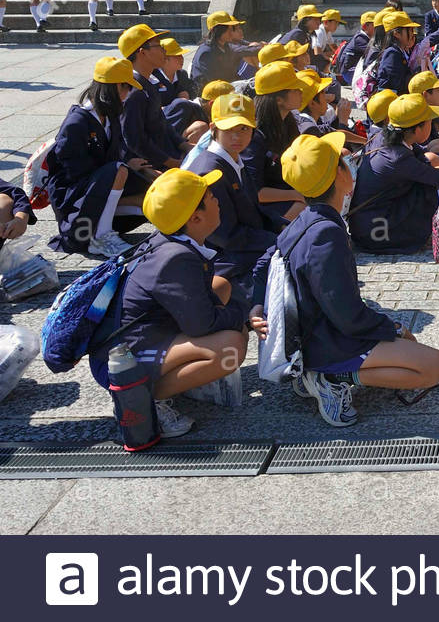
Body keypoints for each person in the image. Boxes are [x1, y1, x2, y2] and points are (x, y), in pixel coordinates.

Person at [267, 132, 439, 426]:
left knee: (415, 351)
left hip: (312, 334)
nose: (352, 161)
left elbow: (267, 262)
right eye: (345, 159)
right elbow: (349, 317)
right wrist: (393, 328)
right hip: (328, 341)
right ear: (338, 175)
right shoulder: (326, 233)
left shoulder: (306, 218)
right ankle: (333, 376)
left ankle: (324, 372)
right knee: (434, 367)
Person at [91, 167, 264, 439]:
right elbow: (202, 325)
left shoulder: (169, 241)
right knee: (231, 346)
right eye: (210, 197)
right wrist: (242, 317)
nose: (217, 200)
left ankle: (174, 379)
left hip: (140, 338)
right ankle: (142, 399)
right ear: (195, 217)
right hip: (123, 361)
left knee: (222, 286)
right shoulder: (175, 259)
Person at [45, 56, 150, 256]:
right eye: (126, 88)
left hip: (100, 181)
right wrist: (117, 169)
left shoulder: (110, 115)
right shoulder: (77, 122)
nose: (127, 95)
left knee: (147, 191)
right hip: (73, 193)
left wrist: (128, 166)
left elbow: (114, 155)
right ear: (115, 87)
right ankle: (100, 236)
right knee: (119, 171)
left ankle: (107, 226)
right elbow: (73, 172)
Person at [186, 93, 278, 300]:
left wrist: (285, 227)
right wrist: (278, 240)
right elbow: (223, 235)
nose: (237, 137)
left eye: (244, 129)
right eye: (229, 130)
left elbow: (254, 209)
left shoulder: (233, 160)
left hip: (242, 245)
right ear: (213, 129)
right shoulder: (209, 171)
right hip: (221, 258)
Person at [348, 94, 439, 252]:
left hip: (372, 219)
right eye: (429, 120)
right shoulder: (397, 158)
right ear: (417, 128)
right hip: (375, 232)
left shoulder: (387, 137)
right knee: (432, 190)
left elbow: (424, 156)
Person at [244, 62, 309, 227]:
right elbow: (256, 192)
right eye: (295, 89)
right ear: (279, 99)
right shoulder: (254, 137)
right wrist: (297, 194)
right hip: (263, 208)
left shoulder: (287, 122)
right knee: (306, 208)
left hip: (288, 194)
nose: (301, 92)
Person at [119, 24, 188, 171]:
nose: (164, 50)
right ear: (142, 53)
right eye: (159, 46)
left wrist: (184, 144)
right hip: (151, 164)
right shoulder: (133, 91)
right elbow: (135, 140)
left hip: (166, 153)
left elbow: (162, 122)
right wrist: (171, 162)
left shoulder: (148, 82)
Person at [191, 11, 261, 87]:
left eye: (231, 29)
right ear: (216, 31)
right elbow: (214, 82)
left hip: (227, 87)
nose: (231, 33)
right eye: (228, 30)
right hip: (211, 93)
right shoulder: (206, 53)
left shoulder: (226, 46)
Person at [372, 9, 420, 95]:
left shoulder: (400, 51)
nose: (412, 34)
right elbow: (396, 83)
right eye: (410, 30)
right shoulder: (392, 53)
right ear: (396, 33)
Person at [335, 11, 377, 81]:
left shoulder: (365, 37)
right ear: (364, 26)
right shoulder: (360, 39)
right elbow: (374, 53)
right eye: (374, 25)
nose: (377, 28)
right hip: (350, 72)